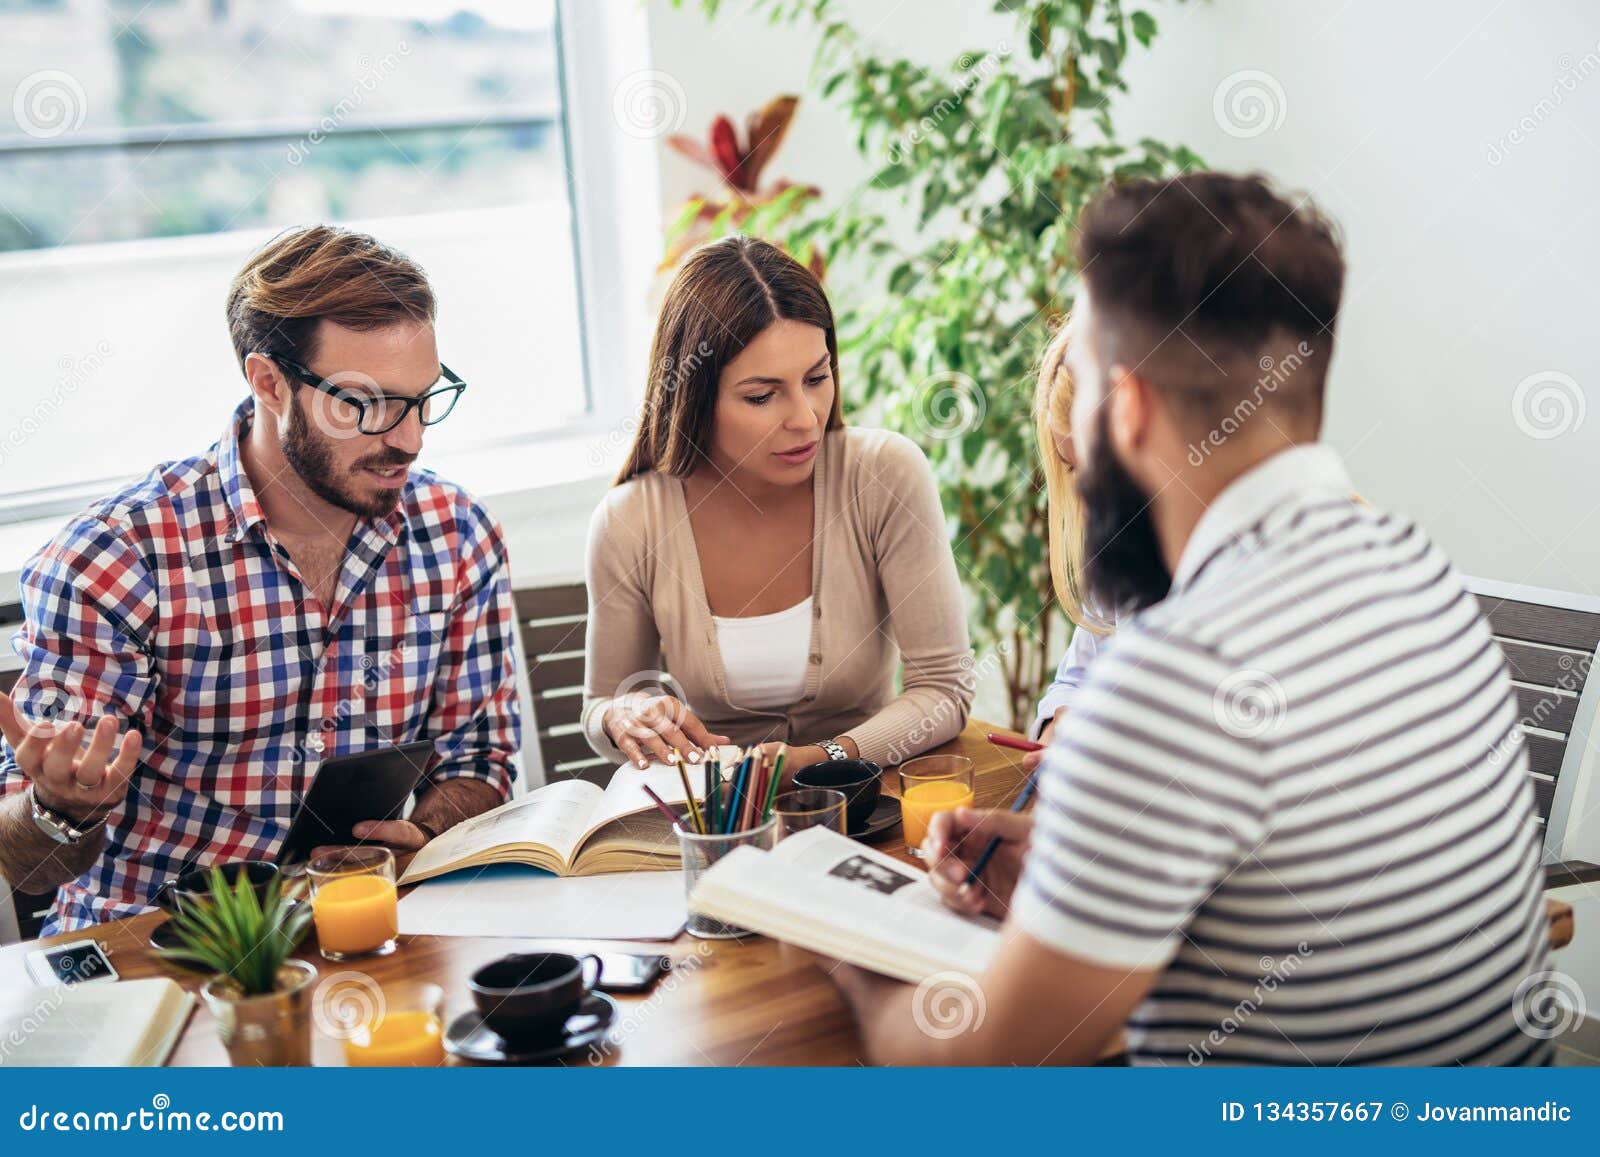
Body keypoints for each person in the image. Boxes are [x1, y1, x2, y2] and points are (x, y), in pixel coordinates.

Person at [830, 172, 1552, 1065]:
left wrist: (843, 937)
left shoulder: (1177, 670)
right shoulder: (1419, 573)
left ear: (1124, 407)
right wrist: (1078, 863)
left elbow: (969, 1067)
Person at [0, 225, 521, 933]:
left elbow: (480, 760)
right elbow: (28, 866)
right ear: (270, 383)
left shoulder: (457, 535)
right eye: (364, 404)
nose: (409, 438)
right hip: (156, 947)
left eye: (424, 398)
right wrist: (61, 809)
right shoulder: (116, 560)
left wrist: (424, 834)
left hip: (357, 928)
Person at [582, 235, 974, 777]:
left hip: (869, 806)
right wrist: (626, 713)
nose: (806, 418)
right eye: (762, 396)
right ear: (694, 398)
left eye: (817, 378)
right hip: (720, 824)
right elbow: (602, 705)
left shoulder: (883, 475)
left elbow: (946, 690)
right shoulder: (631, 520)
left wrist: (823, 760)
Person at [1025, 317, 1115, 767]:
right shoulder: (1119, 562)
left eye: (1101, 466)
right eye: (1072, 469)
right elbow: (1074, 680)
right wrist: (1059, 722)